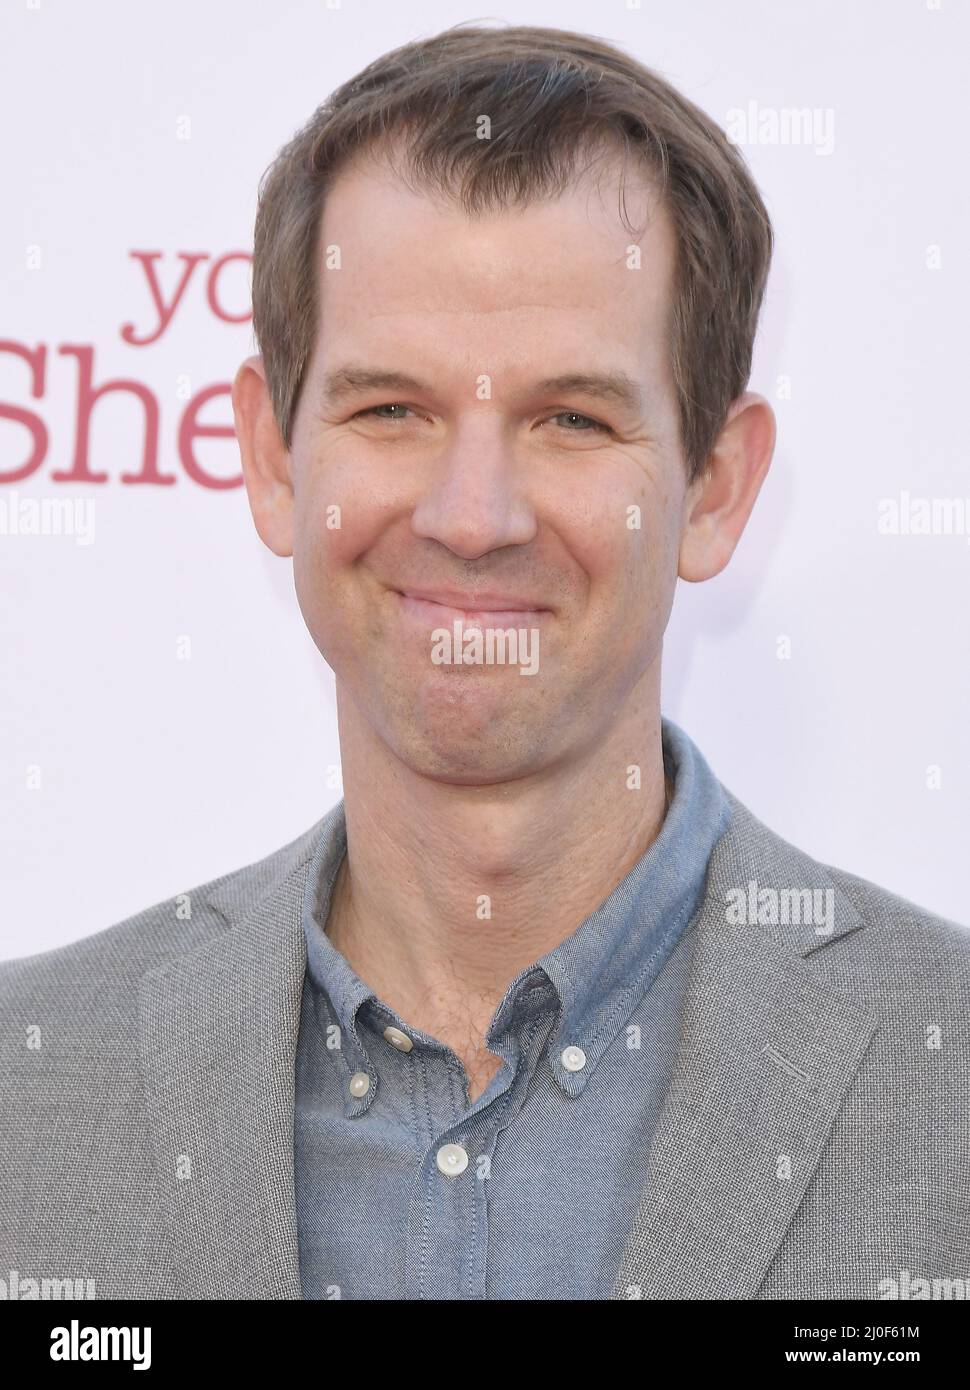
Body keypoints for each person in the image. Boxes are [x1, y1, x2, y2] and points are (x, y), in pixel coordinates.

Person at [2, 23, 967, 1302]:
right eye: (390, 408)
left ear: (716, 487)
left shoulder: (940, 1072)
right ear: (275, 460)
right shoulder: (31, 1085)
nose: (472, 515)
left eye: (570, 417)